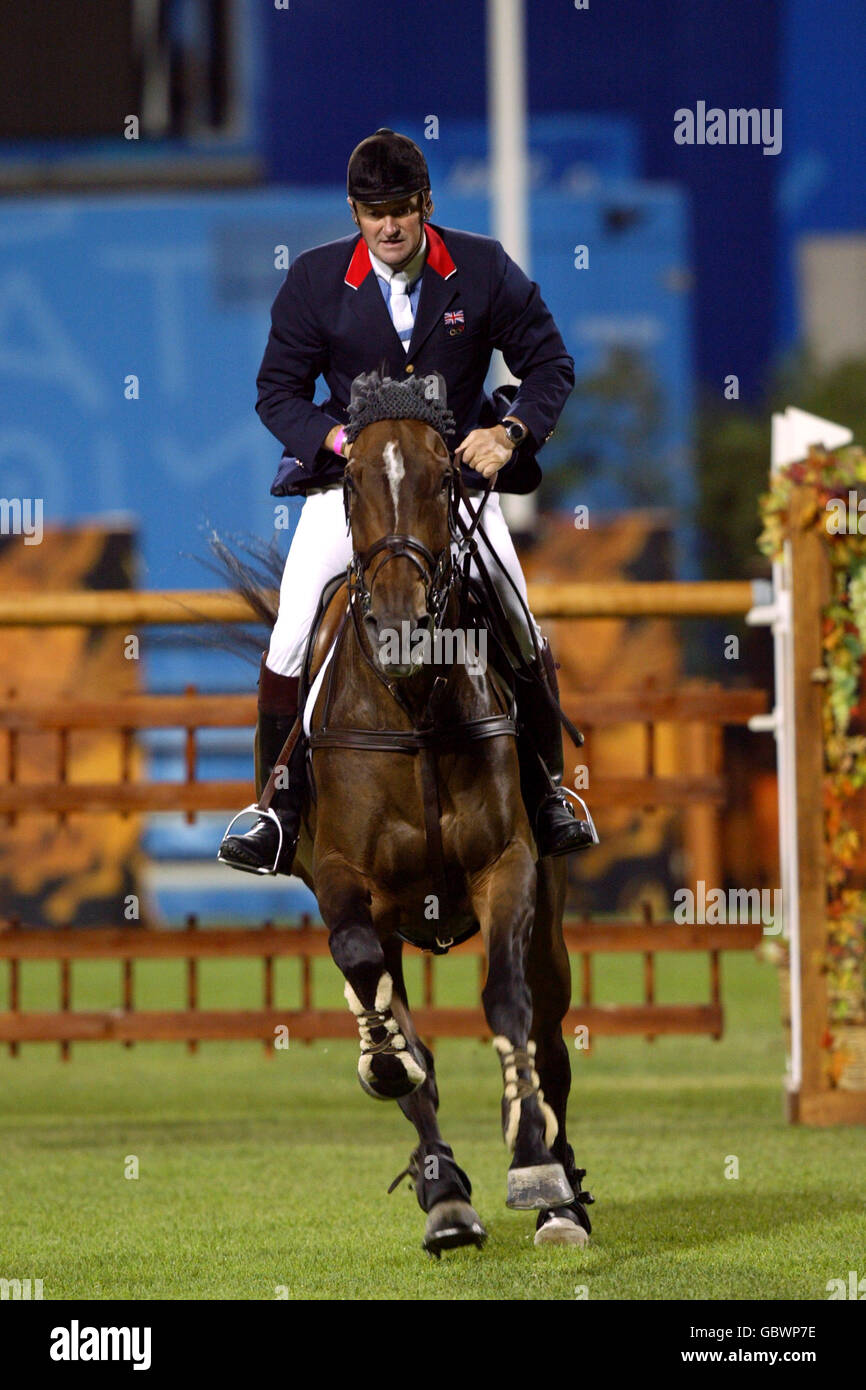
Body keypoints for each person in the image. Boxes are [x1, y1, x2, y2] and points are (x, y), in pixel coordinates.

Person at [219, 127, 596, 876]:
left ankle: (549, 791)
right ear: (355, 212)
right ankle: (277, 809)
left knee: (519, 624)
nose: (387, 226)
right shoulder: (316, 280)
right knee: (292, 633)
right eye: (371, 211)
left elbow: (551, 362)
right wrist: (338, 446)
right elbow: (277, 392)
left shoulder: (483, 268)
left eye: (398, 209)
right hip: (351, 494)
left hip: (453, 493)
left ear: (425, 204)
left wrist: (511, 431)